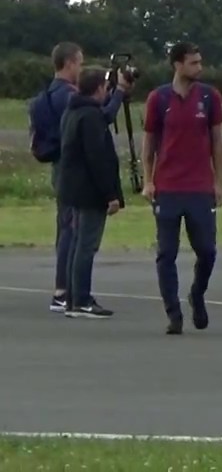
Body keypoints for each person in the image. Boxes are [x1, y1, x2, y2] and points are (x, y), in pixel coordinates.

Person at [28, 41, 129, 312]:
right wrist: (117, 93)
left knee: (67, 229)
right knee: (76, 233)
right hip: (76, 170)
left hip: (62, 167)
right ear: (70, 62)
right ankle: (68, 291)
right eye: (80, 63)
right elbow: (99, 118)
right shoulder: (69, 97)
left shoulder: (47, 96)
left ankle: (66, 290)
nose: (80, 68)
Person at [142, 42, 222, 335]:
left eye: (200, 62)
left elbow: (217, 141)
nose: (199, 68)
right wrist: (148, 180)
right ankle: (173, 313)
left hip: (200, 186)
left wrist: (218, 182)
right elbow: (149, 142)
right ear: (177, 65)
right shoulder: (158, 98)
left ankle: (197, 293)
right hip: (168, 186)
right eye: (193, 63)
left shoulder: (209, 96)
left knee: (207, 250)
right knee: (167, 252)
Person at [56, 67, 124, 320]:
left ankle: (73, 299)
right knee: (86, 245)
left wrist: (119, 94)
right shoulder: (91, 117)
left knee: (76, 242)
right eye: (106, 88)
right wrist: (110, 194)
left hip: (72, 189)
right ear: (98, 89)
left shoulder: (72, 112)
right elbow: (98, 158)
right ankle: (81, 299)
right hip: (88, 191)